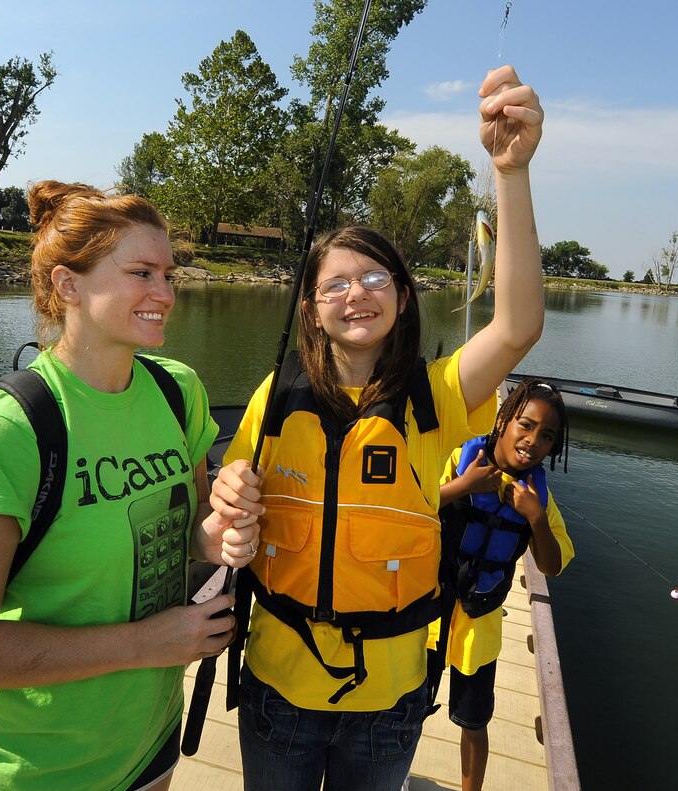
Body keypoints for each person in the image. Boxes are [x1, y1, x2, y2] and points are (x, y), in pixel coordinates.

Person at [207, 64, 545, 791]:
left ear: (401, 295)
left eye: (374, 278)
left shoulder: (440, 395)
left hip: (388, 702)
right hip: (277, 689)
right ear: (312, 308)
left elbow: (517, 326)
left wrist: (509, 172)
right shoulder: (276, 395)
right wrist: (228, 498)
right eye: (334, 283)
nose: (355, 294)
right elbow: (227, 508)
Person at [0, 180, 259, 791]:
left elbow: (190, 530)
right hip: (39, 769)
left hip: (150, 741)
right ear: (68, 286)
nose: (165, 294)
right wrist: (145, 644)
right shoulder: (3, 434)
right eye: (142, 273)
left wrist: (221, 528)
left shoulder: (178, 392)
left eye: (169, 275)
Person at [435, 378, 574, 791]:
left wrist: (534, 517)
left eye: (546, 435)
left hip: (480, 622)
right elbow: (410, 506)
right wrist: (463, 486)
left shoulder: (538, 498)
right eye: (525, 425)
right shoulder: (458, 457)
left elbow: (550, 566)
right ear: (502, 420)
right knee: (403, 704)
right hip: (426, 608)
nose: (533, 440)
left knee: (473, 722)